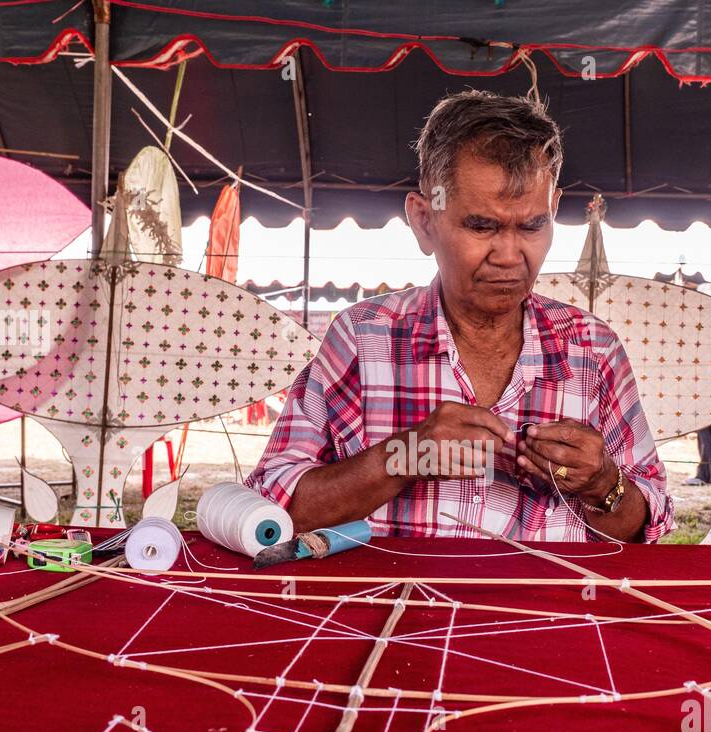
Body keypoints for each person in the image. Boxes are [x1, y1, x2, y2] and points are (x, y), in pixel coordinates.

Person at [246, 90, 674, 542]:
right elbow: (273, 513)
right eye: (481, 226)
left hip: (546, 615)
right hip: (389, 609)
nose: (510, 255)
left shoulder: (591, 348)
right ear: (424, 221)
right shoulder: (363, 338)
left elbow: (642, 528)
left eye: (532, 225)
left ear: (552, 211)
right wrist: (401, 456)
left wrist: (602, 483)